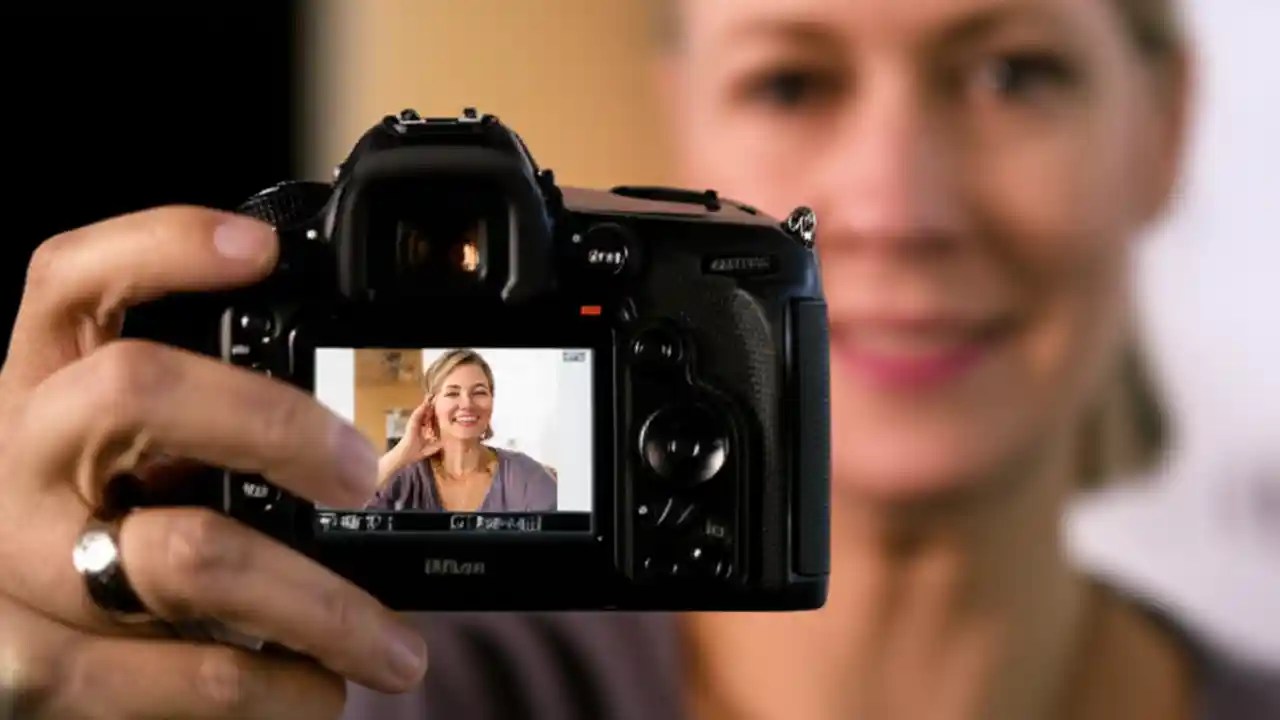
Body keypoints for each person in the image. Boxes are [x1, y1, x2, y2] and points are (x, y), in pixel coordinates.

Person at [0, 2, 1277, 720]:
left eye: (1012, 72)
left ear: (1162, 129)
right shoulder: (346, 700)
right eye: (790, 80)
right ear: (684, 120)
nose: (897, 202)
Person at [366, 348, 557, 513]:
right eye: (452, 393)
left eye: (479, 392)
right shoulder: (403, 476)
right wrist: (401, 452)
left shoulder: (525, 476)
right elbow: (341, 512)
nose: (467, 404)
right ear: (430, 405)